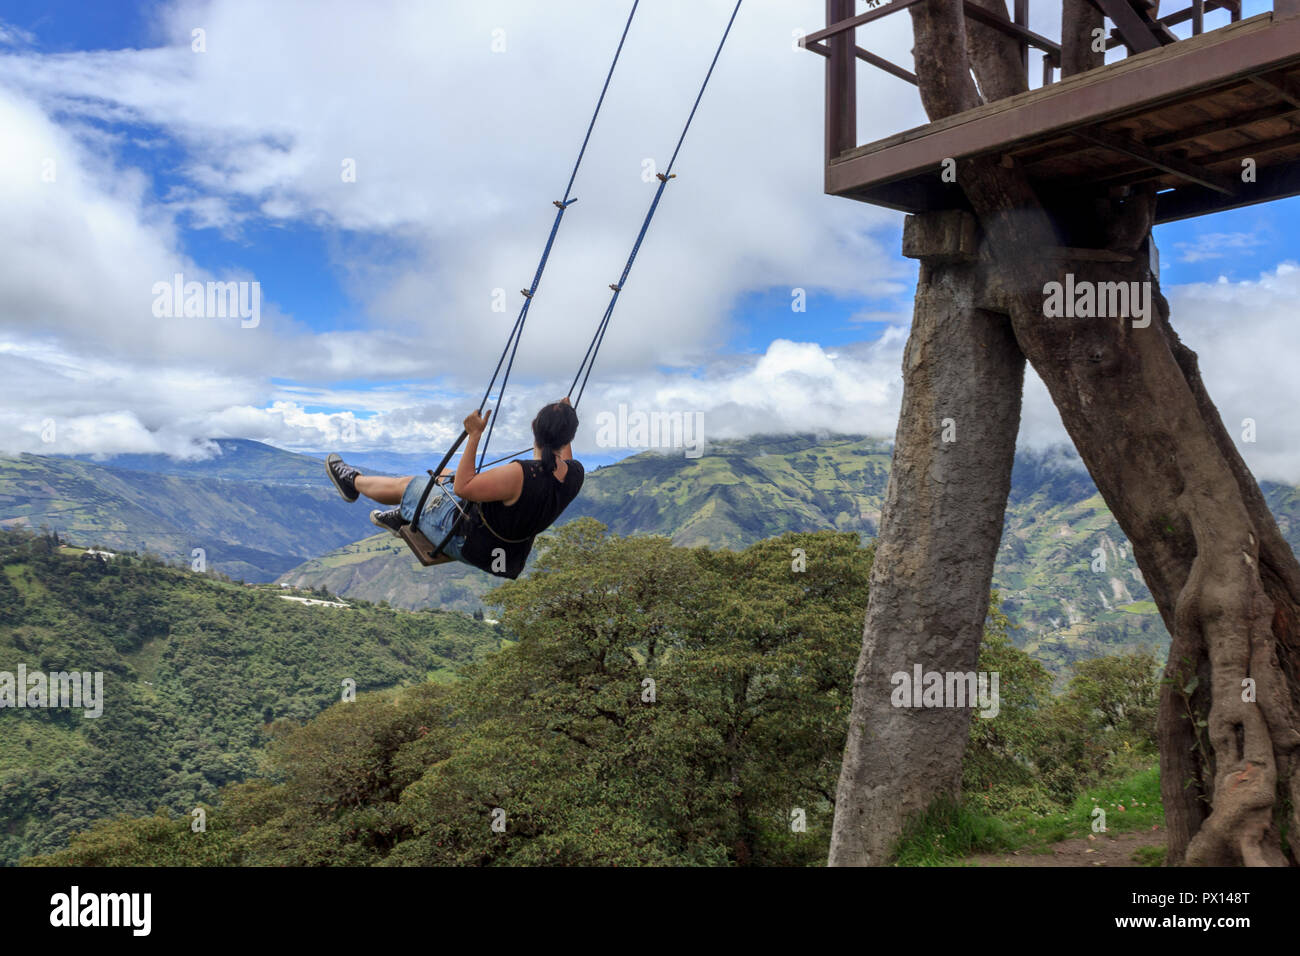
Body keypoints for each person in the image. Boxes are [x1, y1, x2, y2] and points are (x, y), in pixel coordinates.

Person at [325, 399, 584, 579]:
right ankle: (404, 515)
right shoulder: (574, 474)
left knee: (411, 485)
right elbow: (565, 459)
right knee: (444, 474)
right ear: (569, 438)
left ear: (533, 428)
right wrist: (565, 414)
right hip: (507, 556)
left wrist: (474, 436)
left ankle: (353, 483)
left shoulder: (521, 474)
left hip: (469, 542)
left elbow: (463, 487)